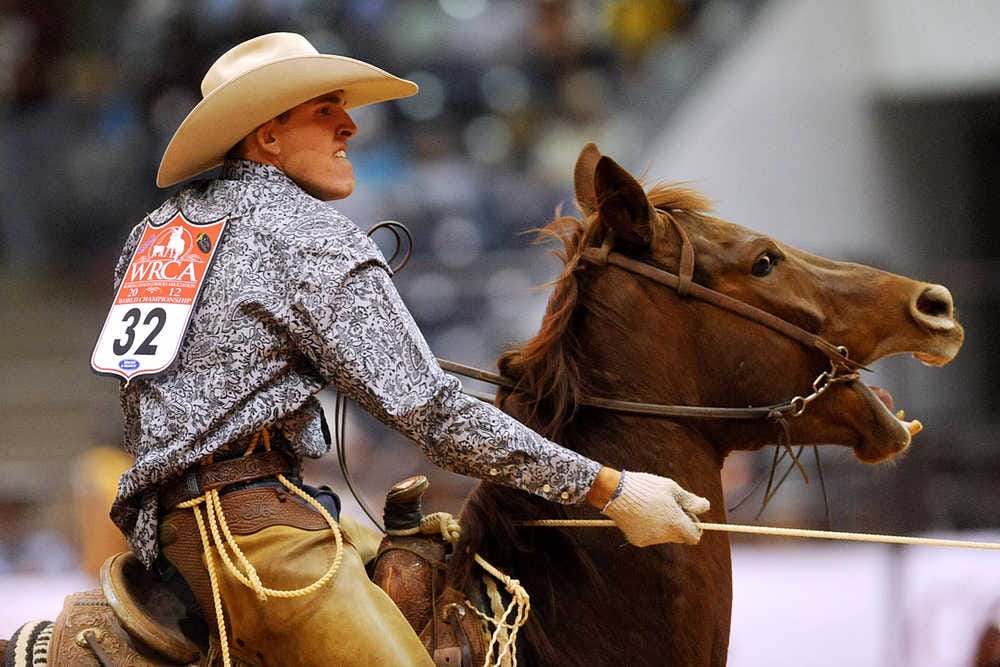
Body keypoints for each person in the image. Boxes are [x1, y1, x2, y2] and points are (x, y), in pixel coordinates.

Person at [101, 32, 710, 666]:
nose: (350, 127)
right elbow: (435, 414)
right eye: (323, 109)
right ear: (268, 135)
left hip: (173, 532)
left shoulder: (162, 231)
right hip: (257, 538)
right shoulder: (309, 235)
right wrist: (608, 488)